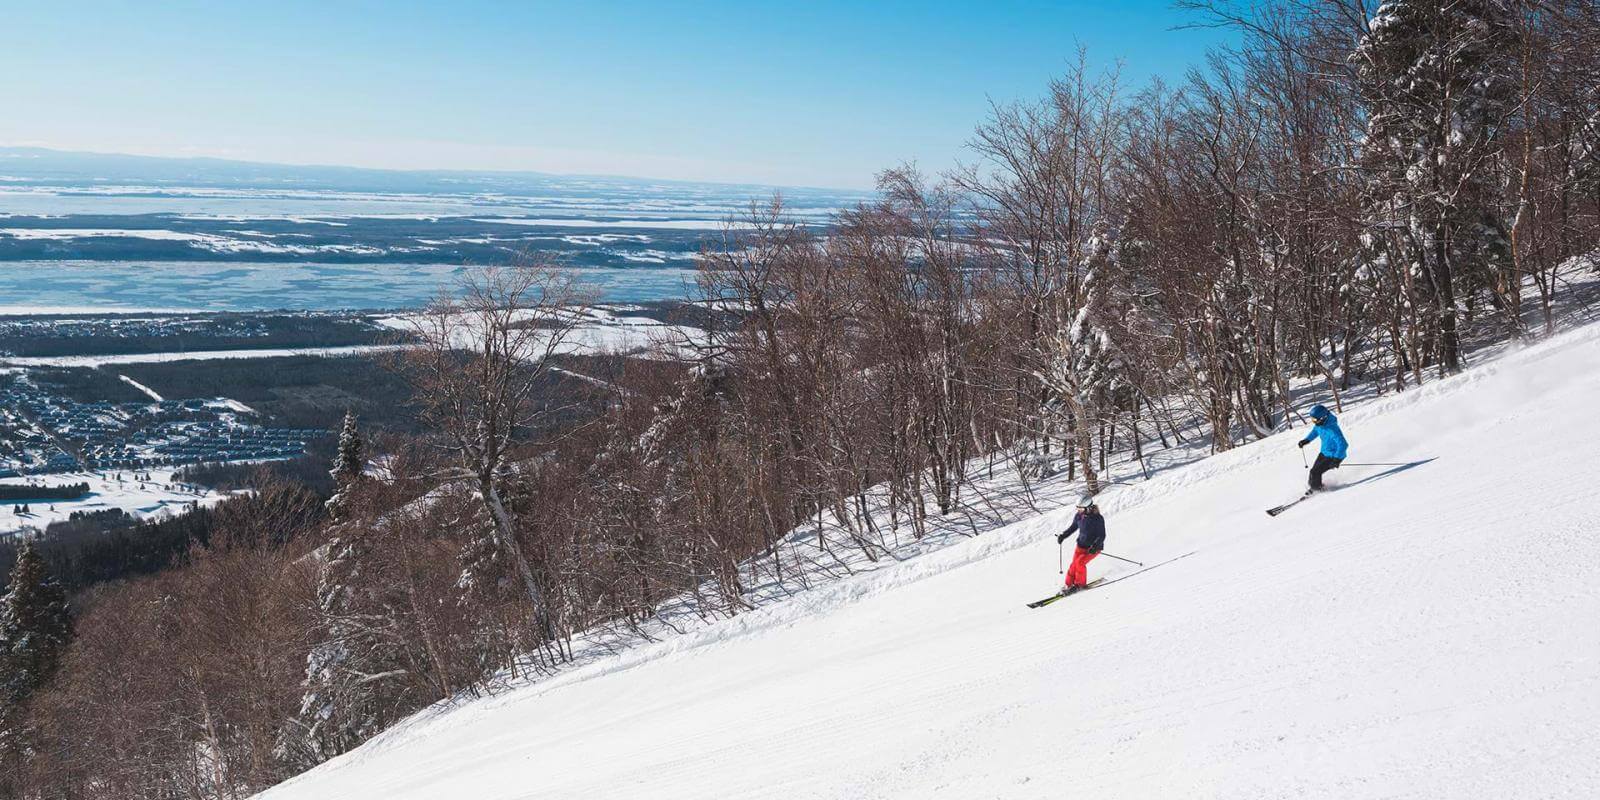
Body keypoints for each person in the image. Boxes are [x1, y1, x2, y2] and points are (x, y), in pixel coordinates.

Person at [1055, 496, 1106, 595]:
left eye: (1081, 509)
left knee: (1080, 563)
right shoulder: (1079, 516)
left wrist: (1095, 546)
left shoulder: (1098, 518)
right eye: (1078, 508)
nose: (1079, 510)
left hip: (1093, 548)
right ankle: (1068, 585)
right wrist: (1063, 536)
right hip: (1080, 546)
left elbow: (1102, 535)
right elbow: (1073, 527)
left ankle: (1079, 584)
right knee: (1073, 565)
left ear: (1088, 508)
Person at [1298, 403, 1349, 493]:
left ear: (1323, 418)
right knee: (1312, 472)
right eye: (1312, 419)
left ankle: (1318, 490)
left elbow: (1343, 444)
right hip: (1324, 452)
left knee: (1315, 472)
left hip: (1333, 455)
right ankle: (1314, 487)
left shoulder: (1332, 428)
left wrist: (1336, 459)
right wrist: (1306, 440)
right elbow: (1315, 431)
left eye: (1315, 419)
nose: (1313, 421)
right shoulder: (1320, 425)